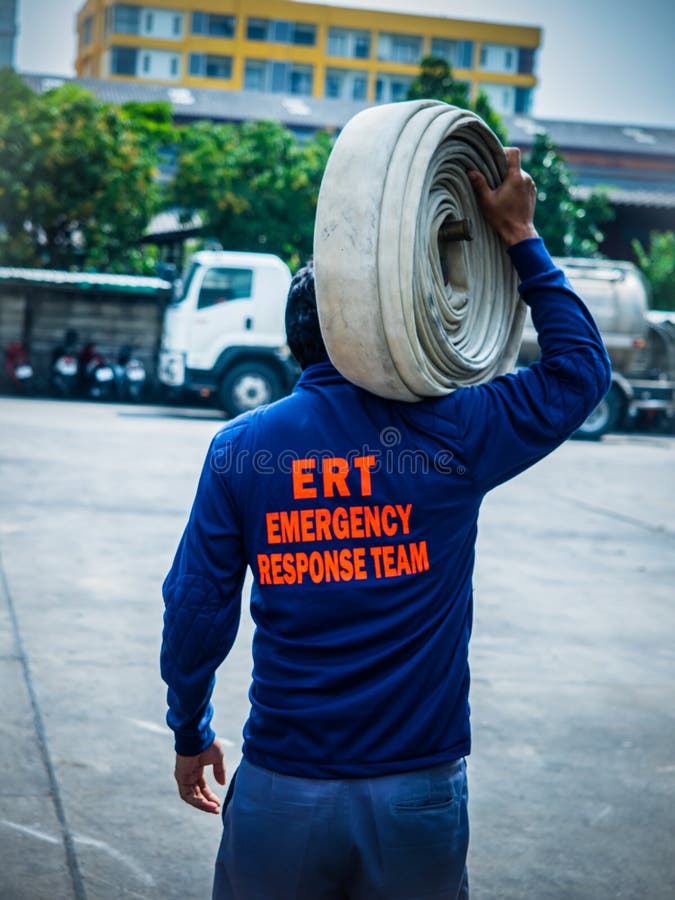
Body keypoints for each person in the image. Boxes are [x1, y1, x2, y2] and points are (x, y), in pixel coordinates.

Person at [161, 148, 611, 900]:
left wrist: (189, 729)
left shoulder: (241, 450)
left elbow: (196, 608)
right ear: (395, 314)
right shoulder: (456, 431)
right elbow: (579, 371)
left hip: (283, 786)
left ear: (294, 339)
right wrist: (519, 237)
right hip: (417, 793)